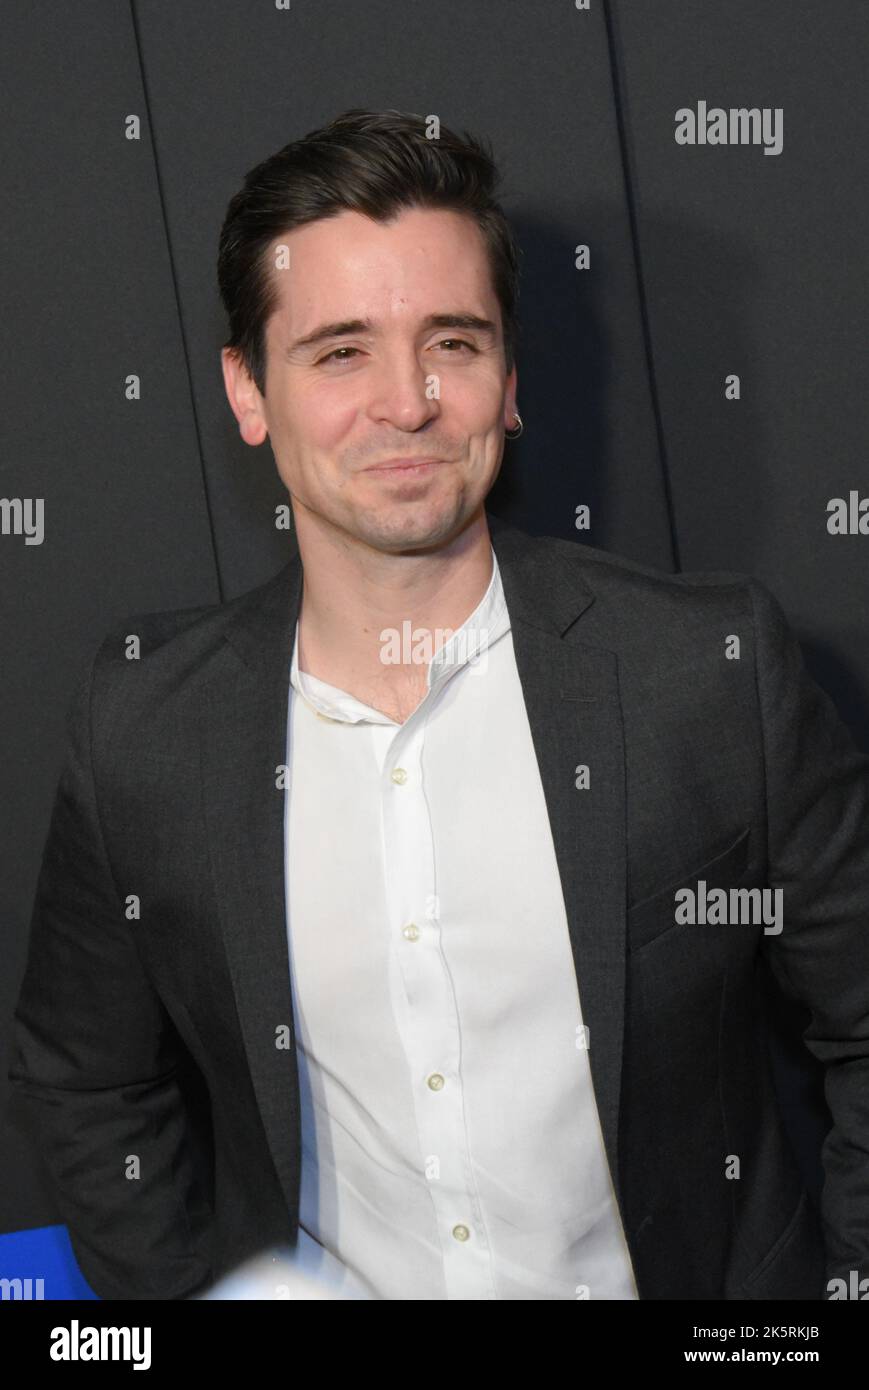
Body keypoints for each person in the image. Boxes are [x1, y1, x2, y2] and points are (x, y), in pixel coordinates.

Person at [8, 109, 869, 1301]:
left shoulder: (705, 669)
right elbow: (84, 1077)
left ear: (508, 379)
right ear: (247, 390)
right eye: (340, 350)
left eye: (451, 343)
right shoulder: (145, 720)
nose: (405, 402)